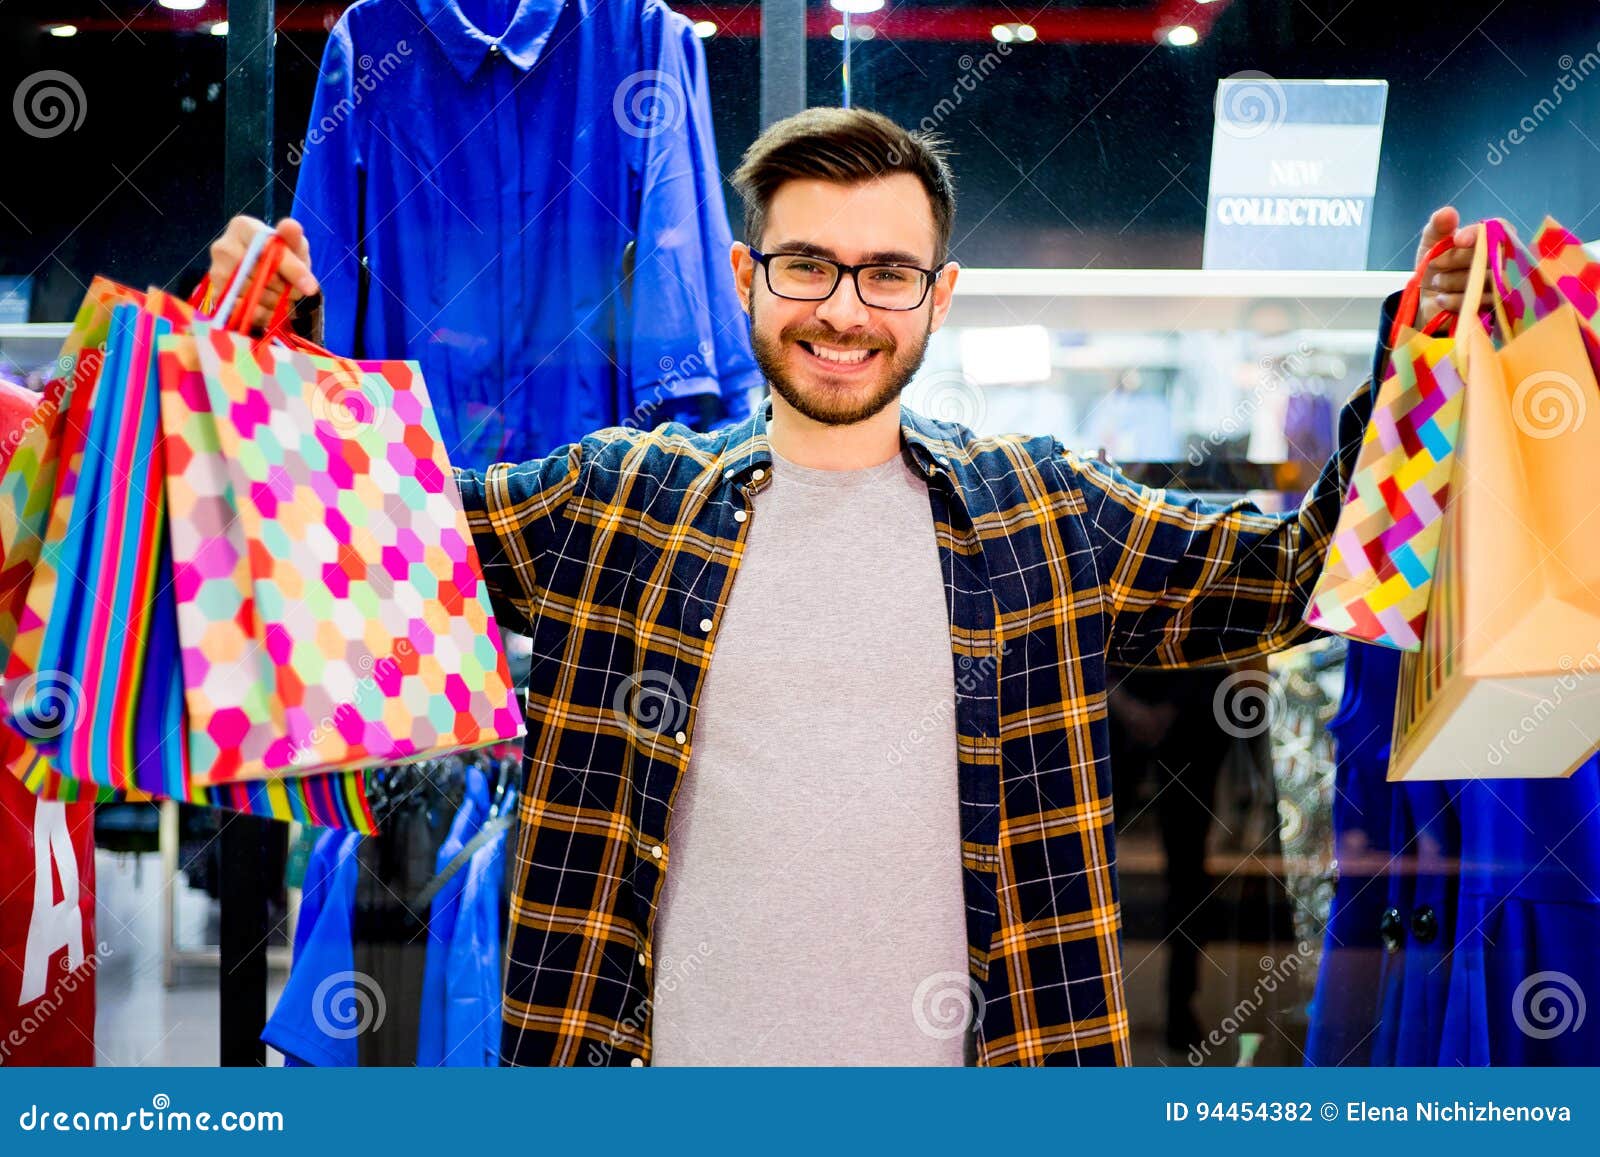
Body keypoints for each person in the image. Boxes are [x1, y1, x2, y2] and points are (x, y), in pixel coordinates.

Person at [208, 106, 1478, 1067]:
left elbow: (1293, 575)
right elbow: (363, 548)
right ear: (749, 273)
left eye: (887, 274)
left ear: (939, 297)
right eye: (806, 265)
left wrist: (1419, 361)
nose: (844, 311)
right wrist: (269, 360)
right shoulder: (613, 498)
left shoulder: (1046, 509)